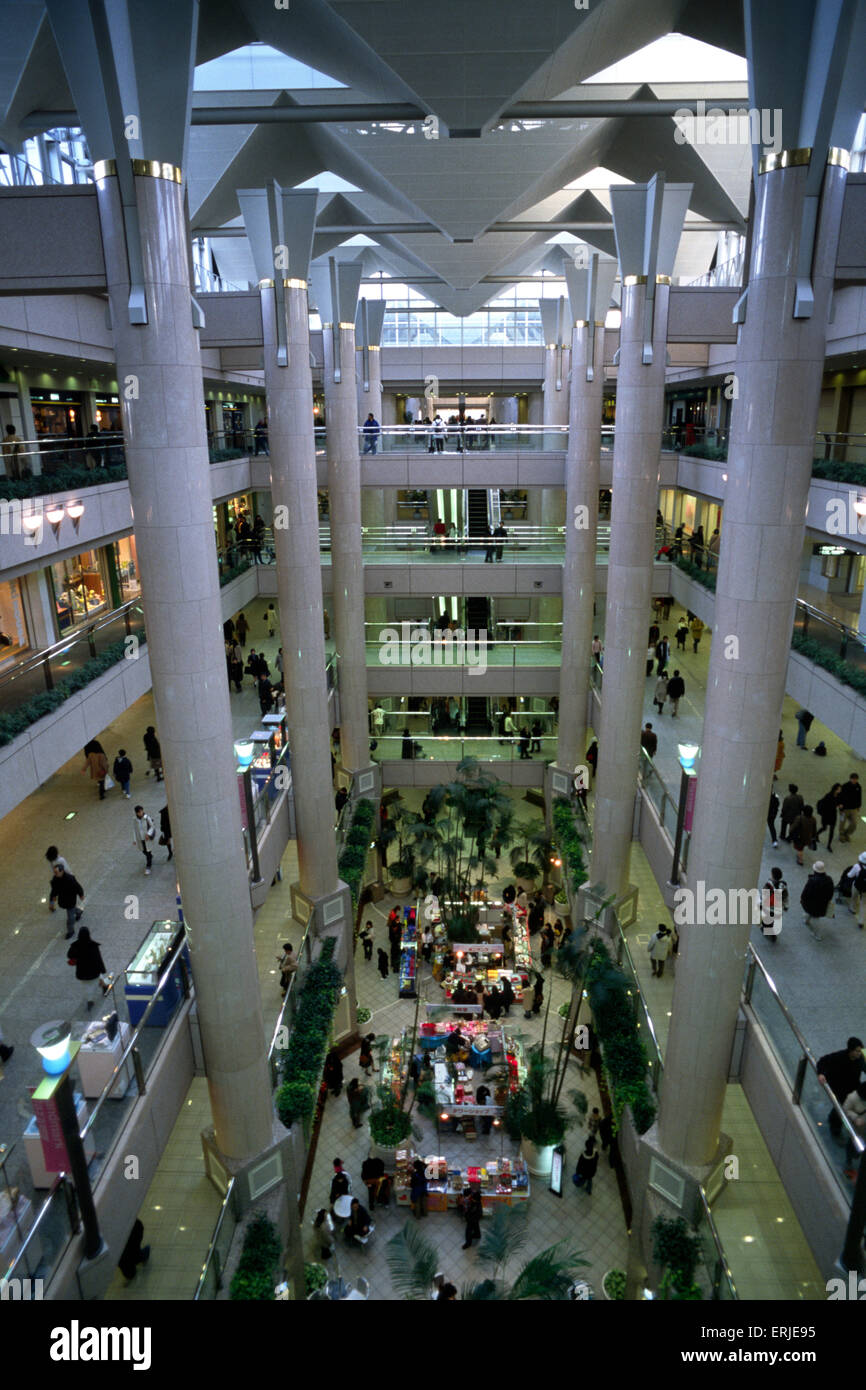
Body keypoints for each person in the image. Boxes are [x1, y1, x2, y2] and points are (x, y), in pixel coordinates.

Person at [817, 1038, 865, 1138]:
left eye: (860, 1051)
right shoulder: (840, 1057)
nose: (859, 1053)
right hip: (839, 1087)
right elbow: (823, 1061)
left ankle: (835, 1119)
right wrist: (821, 1073)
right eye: (857, 1051)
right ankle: (835, 1128)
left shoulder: (860, 1059)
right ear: (850, 1050)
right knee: (841, 1108)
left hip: (852, 1085)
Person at [67, 925, 108, 1012]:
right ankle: (103, 988)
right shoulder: (93, 946)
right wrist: (102, 969)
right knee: (96, 980)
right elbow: (98, 959)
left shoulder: (75, 945)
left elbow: (69, 955)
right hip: (94, 972)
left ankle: (91, 1000)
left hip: (82, 972)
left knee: (87, 987)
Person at [800, 861, 835, 941]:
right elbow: (831, 892)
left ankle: (818, 934)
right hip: (822, 903)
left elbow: (806, 892)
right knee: (814, 915)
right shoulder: (829, 880)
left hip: (811, 902)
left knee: (814, 917)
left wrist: (802, 899)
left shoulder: (812, 880)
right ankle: (806, 920)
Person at [49, 864, 85, 939]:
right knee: (72, 911)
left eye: (56, 872)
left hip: (70, 900)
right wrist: (53, 898)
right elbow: (54, 890)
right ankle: (79, 912)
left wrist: (81, 894)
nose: (55, 874)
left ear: (62, 871)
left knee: (70, 918)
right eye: (54, 872)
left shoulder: (70, 878)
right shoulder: (55, 879)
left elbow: (77, 886)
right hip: (63, 900)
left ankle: (70, 931)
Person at [761, 868, 788, 941]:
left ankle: (767, 932)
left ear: (772, 875)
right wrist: (786, 906)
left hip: (769, 908)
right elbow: (785, 896)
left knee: (767, 921)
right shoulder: (783, 885)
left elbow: (764, 896)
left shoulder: (768, 885)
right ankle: (773, 934)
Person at [816, 783, 841, 853]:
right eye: (839, 789)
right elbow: (825, 804)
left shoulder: (838, 796)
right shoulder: (829, 796)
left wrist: (839, 805)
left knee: (832, 830)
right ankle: (816, 834)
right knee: (824, 828)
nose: (840, 790)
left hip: (833, 815)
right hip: (826, 814)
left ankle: (829, 844)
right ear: (835, 789)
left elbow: (838, 802)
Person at [789, 803, 817, 867]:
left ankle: (800, 860)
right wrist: (813, 837)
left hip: (799, 837)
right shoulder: (813, 819)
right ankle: (799, 856)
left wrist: (791, 832)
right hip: (808, 837)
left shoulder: (800, 818)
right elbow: (814, 829)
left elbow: (793, 827)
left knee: (800, 849)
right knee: (801, 847)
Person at [838, 773, 862, 845]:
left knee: (854, 823)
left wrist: (858, 806)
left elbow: (859, 797)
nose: (855, 780)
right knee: (842, 822)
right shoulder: (845, 786)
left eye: (856, 779)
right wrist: (840, 805)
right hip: (844, 809)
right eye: (853, 779)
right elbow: (839, 796)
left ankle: (847, 833)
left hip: (853, 809)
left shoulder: (858, 787)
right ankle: (841, 835)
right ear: (850, 779)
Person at [133, 804, 156, 875]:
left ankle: (148, 867)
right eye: (139, 812)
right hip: (140, 839)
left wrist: (148, 834)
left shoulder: (147, 818)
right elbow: (134, 830)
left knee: (148, 852)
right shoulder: (134, 819)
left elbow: (152, 826)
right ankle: (150, 857)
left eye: (141, 811)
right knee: (144, 851)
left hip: (147, 839)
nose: (141, 813)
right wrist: (134, 840)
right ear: (136, 813)